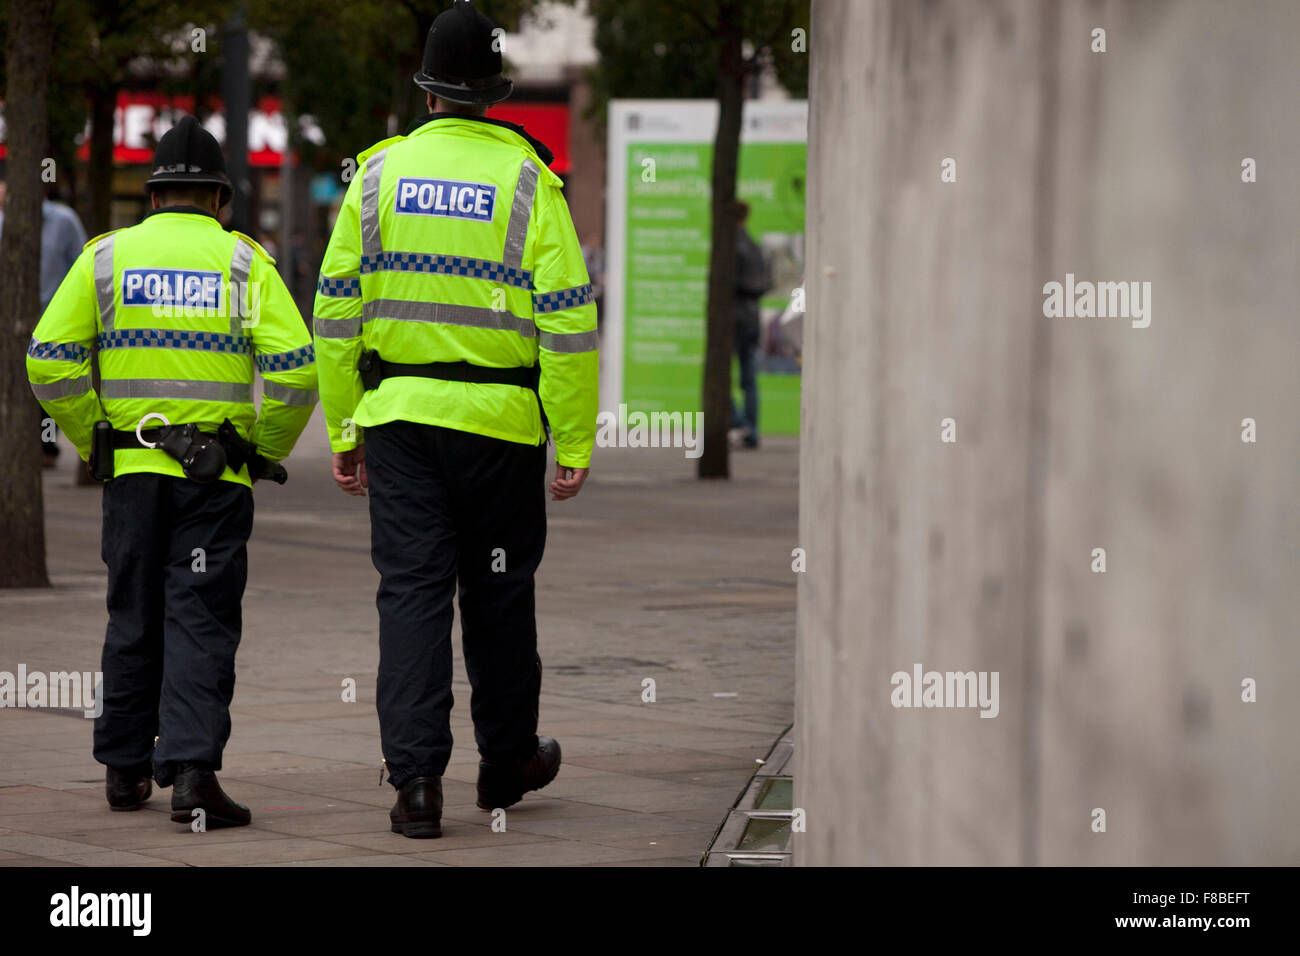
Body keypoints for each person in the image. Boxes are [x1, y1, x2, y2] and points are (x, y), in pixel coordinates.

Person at [313, 0, 598, 839]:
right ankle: (505, 764)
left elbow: (335, 312)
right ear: (492, 95)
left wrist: (343, 428)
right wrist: (574, 440)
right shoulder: (530, 182)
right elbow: (569, 324)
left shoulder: (374, 175)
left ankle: (416, 787)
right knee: (501, 594)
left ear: (428, 91)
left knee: (411, 595)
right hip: (502, 428)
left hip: (399, 422)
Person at [26, 116, 319, 828]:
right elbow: (296, 370)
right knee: (200, 617)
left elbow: (47, 358)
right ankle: (191, 774)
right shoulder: (245, 263)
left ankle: (124, 770)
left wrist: (94, 434)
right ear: (221, 198)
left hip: (132, 476)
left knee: (133, 613)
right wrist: (263, 448)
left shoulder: (105, 258)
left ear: (155, 196)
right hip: (214, 481)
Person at [0, 180, 88, 466]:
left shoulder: (64, 221)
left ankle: (47, 447)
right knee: (14, 381)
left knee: (47, 379)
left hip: (55, 320)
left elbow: (81, 265)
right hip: (10, 318)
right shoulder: (2, 222)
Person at [730, 201, 770, 449]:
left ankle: (741, 422)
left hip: (735, 316)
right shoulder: (754, 246)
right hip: (752, 316)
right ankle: (751, 429)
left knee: (724, 377)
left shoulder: (733, 246)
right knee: (749, 377)